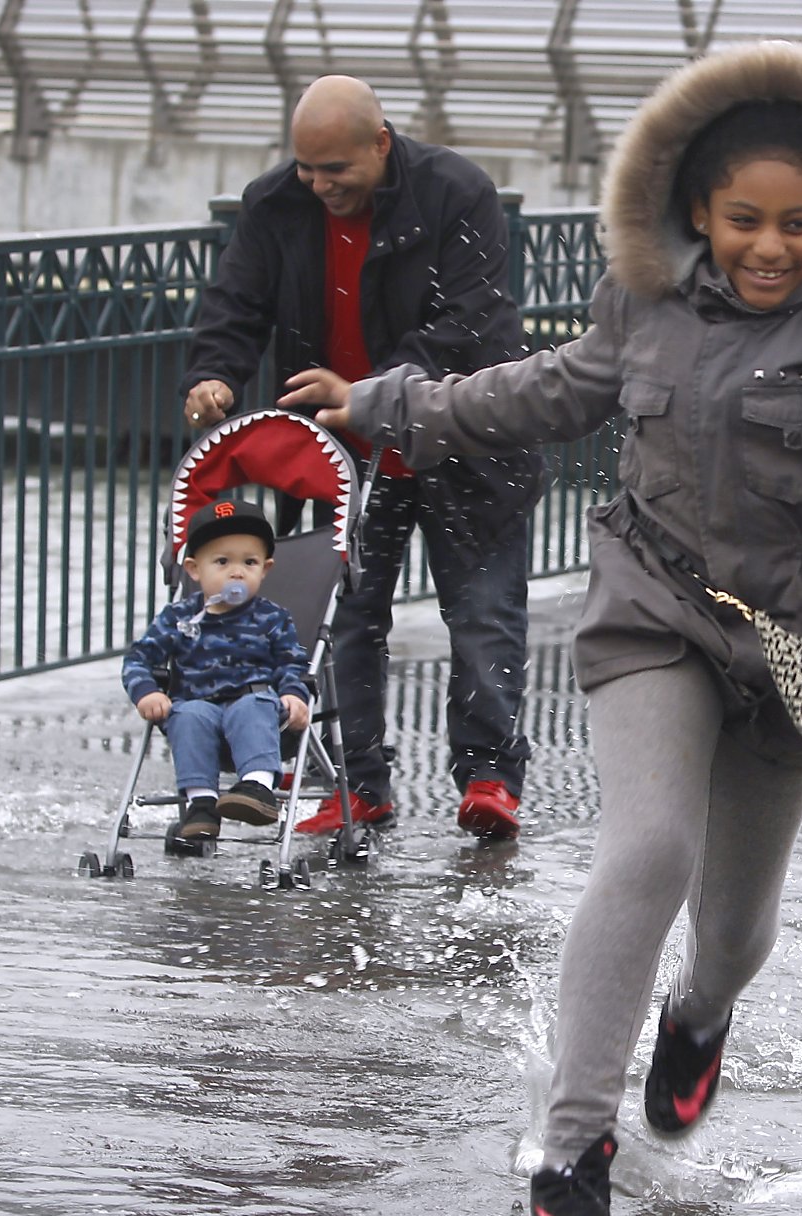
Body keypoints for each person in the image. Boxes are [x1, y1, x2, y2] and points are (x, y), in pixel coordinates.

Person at [285, 42, 802, 1216]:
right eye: (741, 221)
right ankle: (572, 1153)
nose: (767, 247)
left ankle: (700, 1015)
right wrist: (385, 403)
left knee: (734, 929)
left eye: (795, 225)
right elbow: (542, 390)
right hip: (650, 606)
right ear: (696, 214)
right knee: (650, 847)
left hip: (785, 643)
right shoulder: (646, 304)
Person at [182, 74, 543, 841]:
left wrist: (373, 389)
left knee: (482, 618)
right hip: (343, 458)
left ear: (380, 144)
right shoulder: (277, 203)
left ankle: (489, 779)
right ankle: (354, 784)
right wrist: (214, 372)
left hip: (466, 441)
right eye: (307, 169)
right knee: (342, 624)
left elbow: (470, 322)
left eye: (336, 170)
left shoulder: (457, 192)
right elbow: (236, 301)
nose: (320, 186)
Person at [121, 500, 312, 843]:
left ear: (265, 569)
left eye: (249, 562)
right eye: (222, 562)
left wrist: (295, 695)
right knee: (187, 713)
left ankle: (256, 788)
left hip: (259, 716)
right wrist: (147, 691)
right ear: (195, 570)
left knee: (254, 704)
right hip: (198, 708)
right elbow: (138, 659)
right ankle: (201, 805)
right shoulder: (179, 618)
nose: (237, 572)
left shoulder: (273, 618)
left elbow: (292, 664)